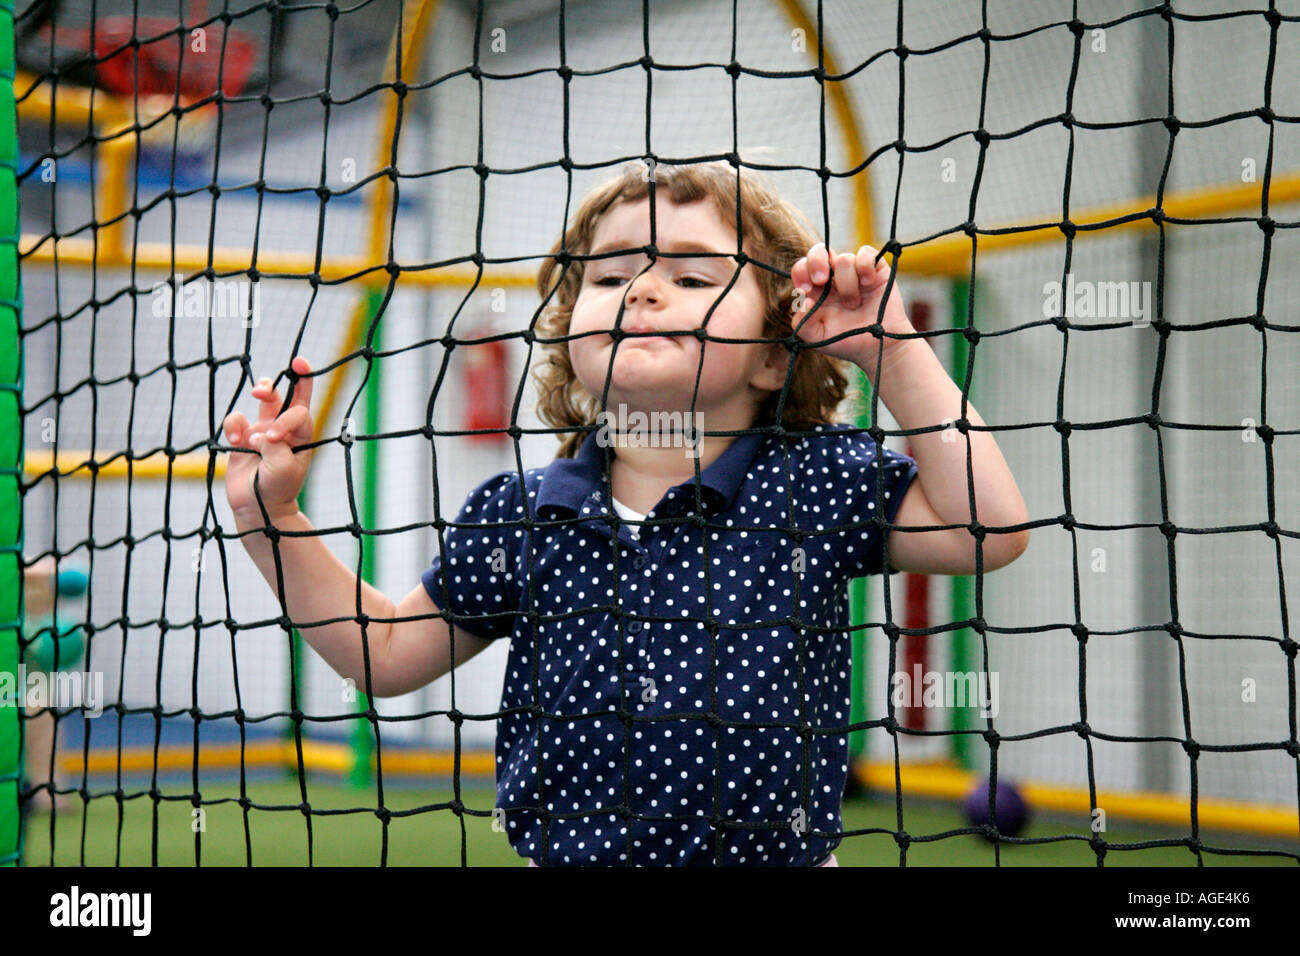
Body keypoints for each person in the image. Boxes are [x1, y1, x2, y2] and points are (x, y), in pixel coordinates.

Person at [222, 161, 1029, 866]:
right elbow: (383, 653)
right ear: (571, 335)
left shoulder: (812, 481)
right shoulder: (524, 514)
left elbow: (988, 528)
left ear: (775, 354)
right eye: (609, 280)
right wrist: (272, 518)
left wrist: (889, 344)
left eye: (689, 278)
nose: (641, 288)